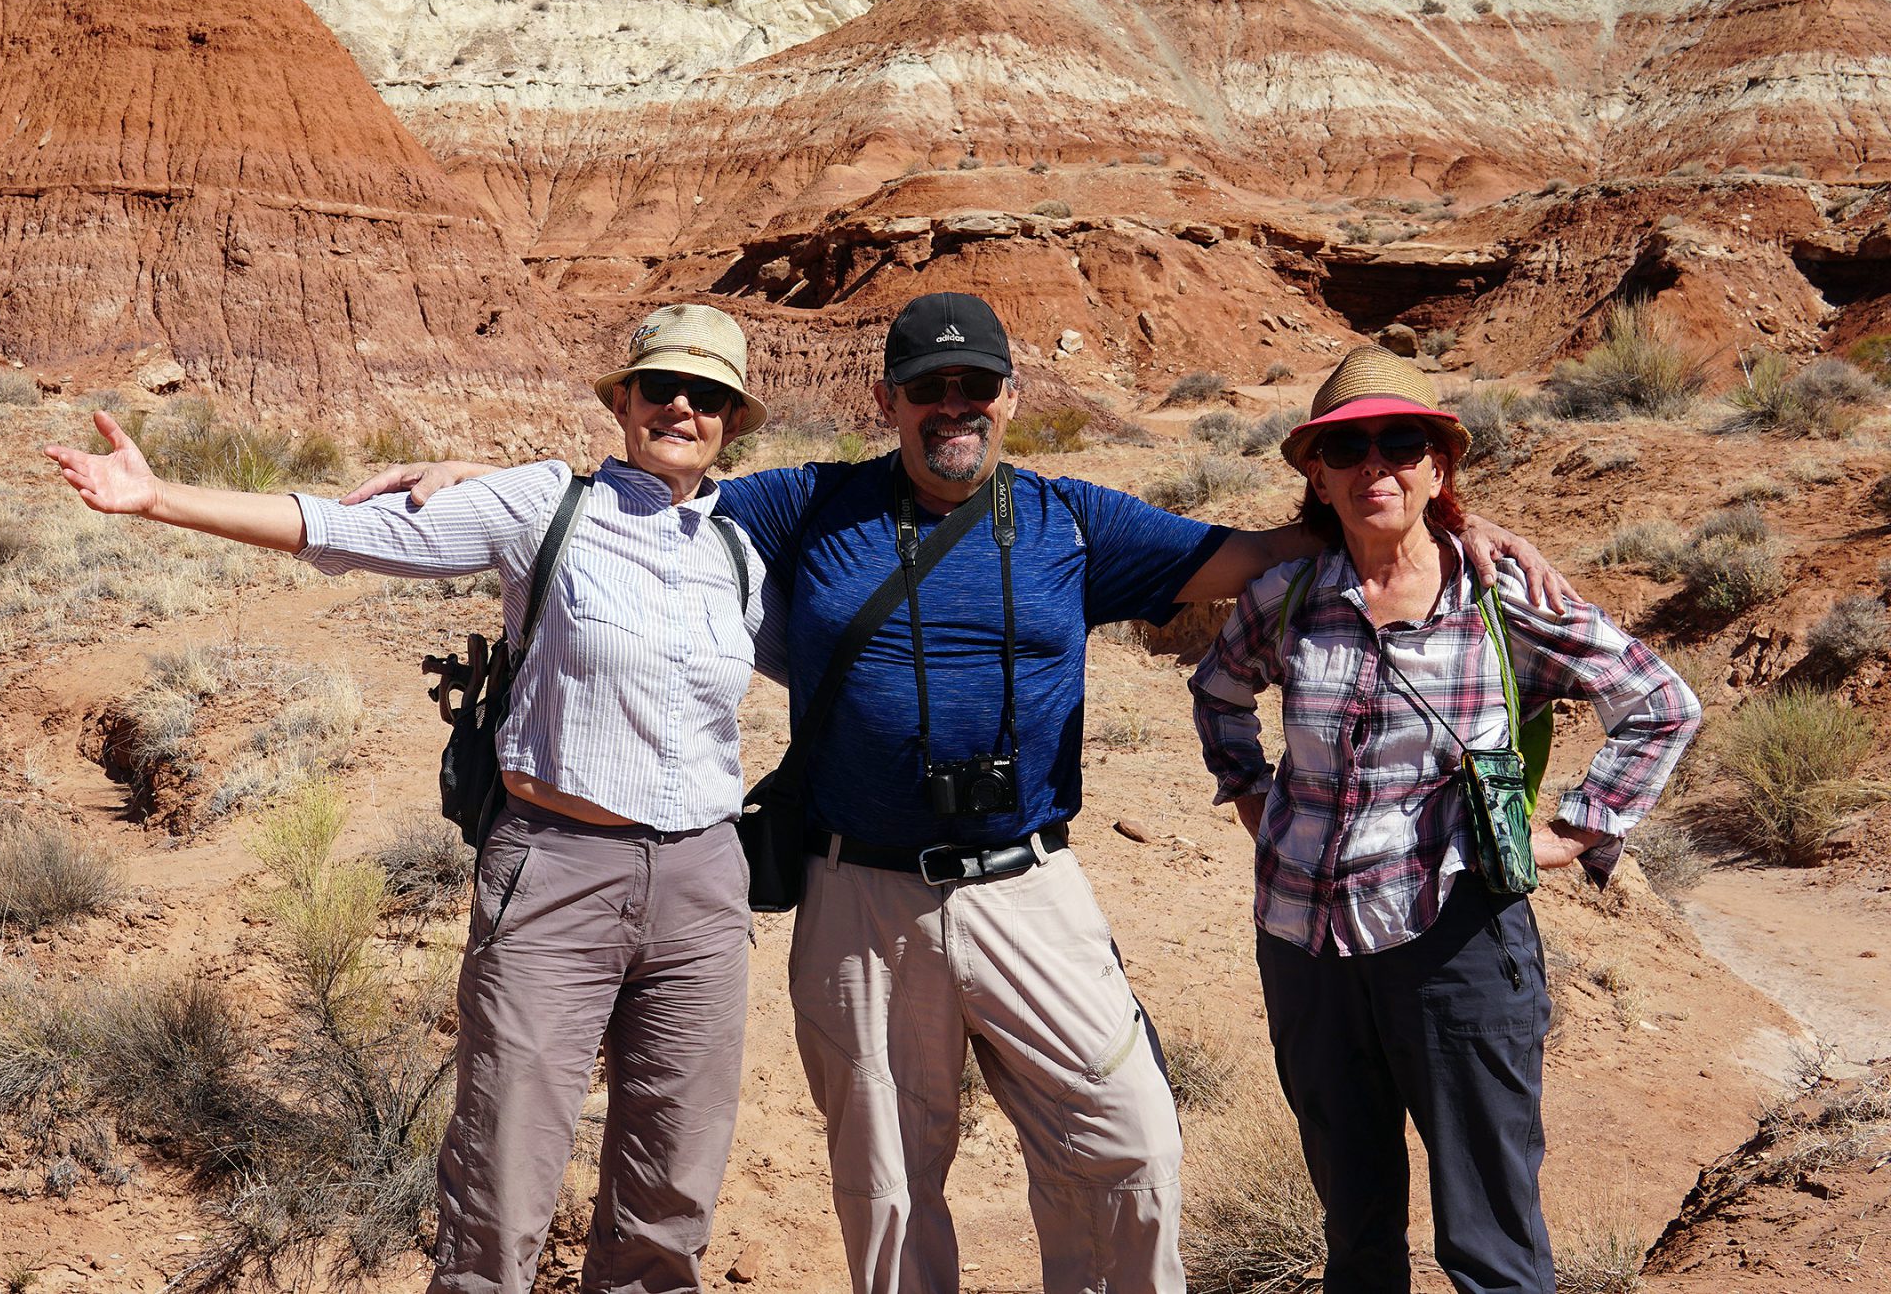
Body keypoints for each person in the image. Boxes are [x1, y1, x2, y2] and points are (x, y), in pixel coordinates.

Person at [349, 292, 1571, 1294]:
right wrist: (486, 478)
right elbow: (646, 498)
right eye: (927, 389)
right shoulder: (803, 502)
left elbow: (1253, 550)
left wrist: (1444, 524)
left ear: (1006, 400)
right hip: (855, 893)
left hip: (1029, 884)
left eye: (974, 387)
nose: (953, 408)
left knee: (1128, 1147)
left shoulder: (1068, 520)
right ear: (885, 402)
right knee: (887, 1189)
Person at [45, 303, 772, 1294]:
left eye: (709, 395)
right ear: (624, 401)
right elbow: (349, 531)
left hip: (701, 880)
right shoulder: (543, 506)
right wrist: (159, 497)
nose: (682, 406)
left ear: (733, 420)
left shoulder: (738, 549)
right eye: (661, 386)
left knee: (673, 1185)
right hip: (559, 866)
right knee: (501, 1177)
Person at [1189, 347, 1698, 1294]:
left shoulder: (1501, 596)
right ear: (1317, 470)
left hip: (1458, 943)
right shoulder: (1288, 598)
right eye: (1347, 446)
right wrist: (1254, 798)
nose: (1374, 463)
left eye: (1402, 441)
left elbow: (1660, 702)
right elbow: (1216, 691)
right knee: (1357, 1231)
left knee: (1491, 1239)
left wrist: (1577, 831)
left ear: (1439, 465)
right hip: (1305, 946)